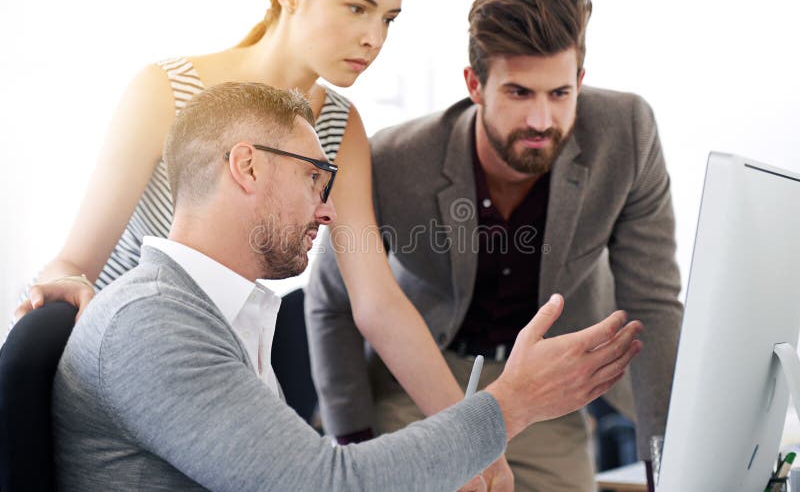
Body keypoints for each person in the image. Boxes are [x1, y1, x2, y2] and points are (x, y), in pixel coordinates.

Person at [13, 0, 516, 486]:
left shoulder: (339, 125)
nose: (373, 38)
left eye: (388, 19)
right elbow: (77, 260)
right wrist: (60, 284)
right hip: (147, 360)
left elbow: (377, 302)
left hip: (232, 355)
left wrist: (485, 450)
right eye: (356, 8)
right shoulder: (168, 92)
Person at [52, 82, 643, 491]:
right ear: (248, 166)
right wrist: (512, 402)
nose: (328, 210)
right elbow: (320, 483)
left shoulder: (209, 312)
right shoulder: (151, 324)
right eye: (315, 177)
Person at [305, 0, 683, 491]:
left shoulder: (629, 133)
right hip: (422, 382)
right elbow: (330, 302)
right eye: (519, 92)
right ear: (474, 85)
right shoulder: (392, 161)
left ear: (581, 79)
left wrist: (667, 464)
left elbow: (654, 305)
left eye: (560, 92)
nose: (541, 119)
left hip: (544, 388)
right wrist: (355, 439)